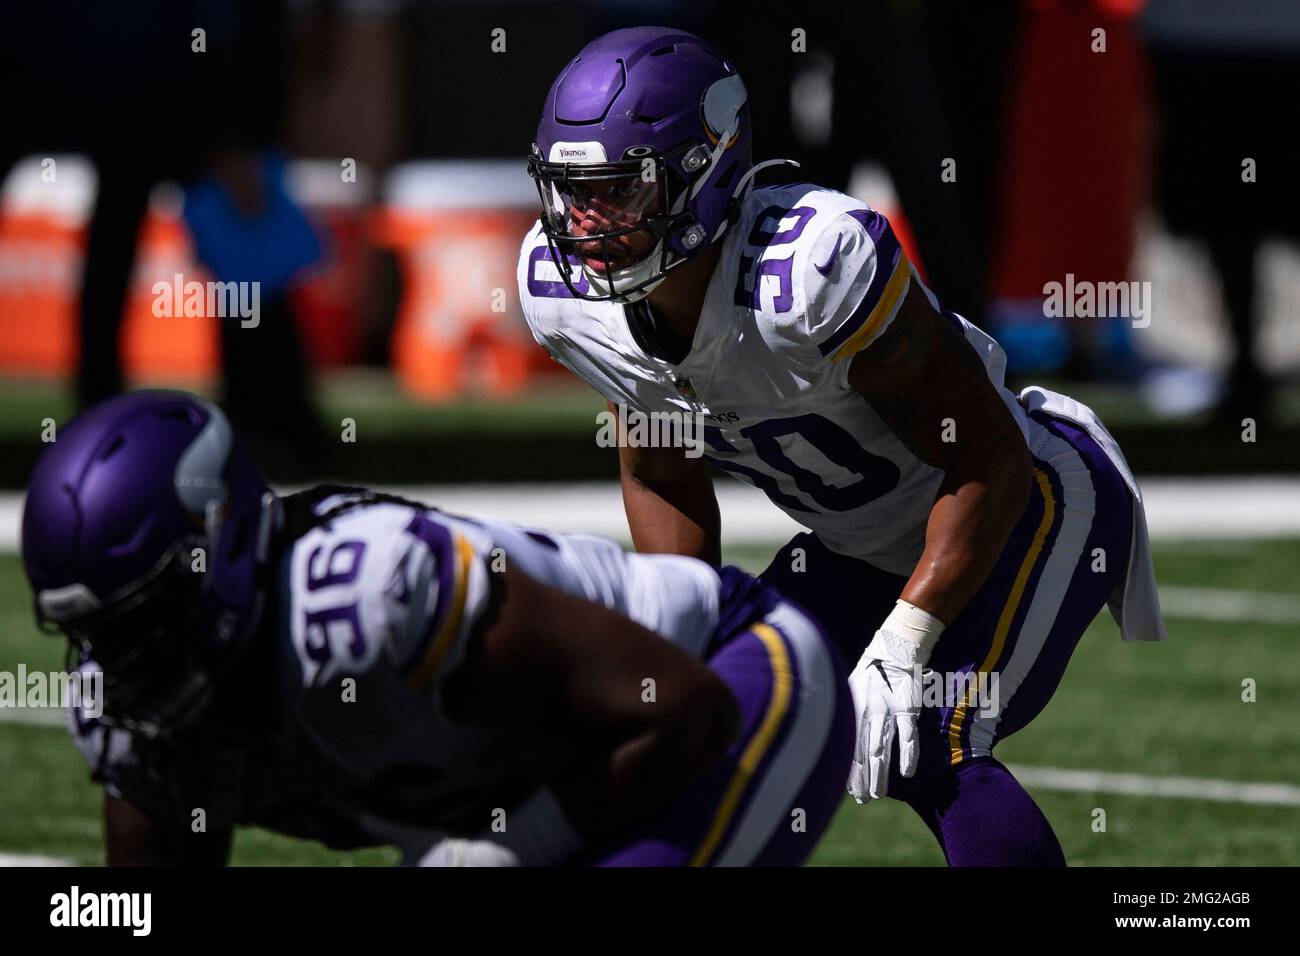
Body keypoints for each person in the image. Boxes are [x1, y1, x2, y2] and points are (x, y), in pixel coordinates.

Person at [519, 26, 1166, 866]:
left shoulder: (812, 267)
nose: (585, 224)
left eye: (617, 193)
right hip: (862, 544)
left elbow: (988, 457)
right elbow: (663, 473)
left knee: (925, 734)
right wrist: (689, 636)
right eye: (571, 193)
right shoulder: (567, 298)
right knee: (715, 723)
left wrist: (903, 642)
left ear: (703, 175)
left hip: (1033, 500)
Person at [21, 390, 853, 866]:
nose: (128, 663)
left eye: (149, 621)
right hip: (562, 772)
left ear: (224, 541)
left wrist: (512, 849)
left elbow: (684, 708)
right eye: (103, 635)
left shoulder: (364, 600)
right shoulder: (131, 717)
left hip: (738, 680)